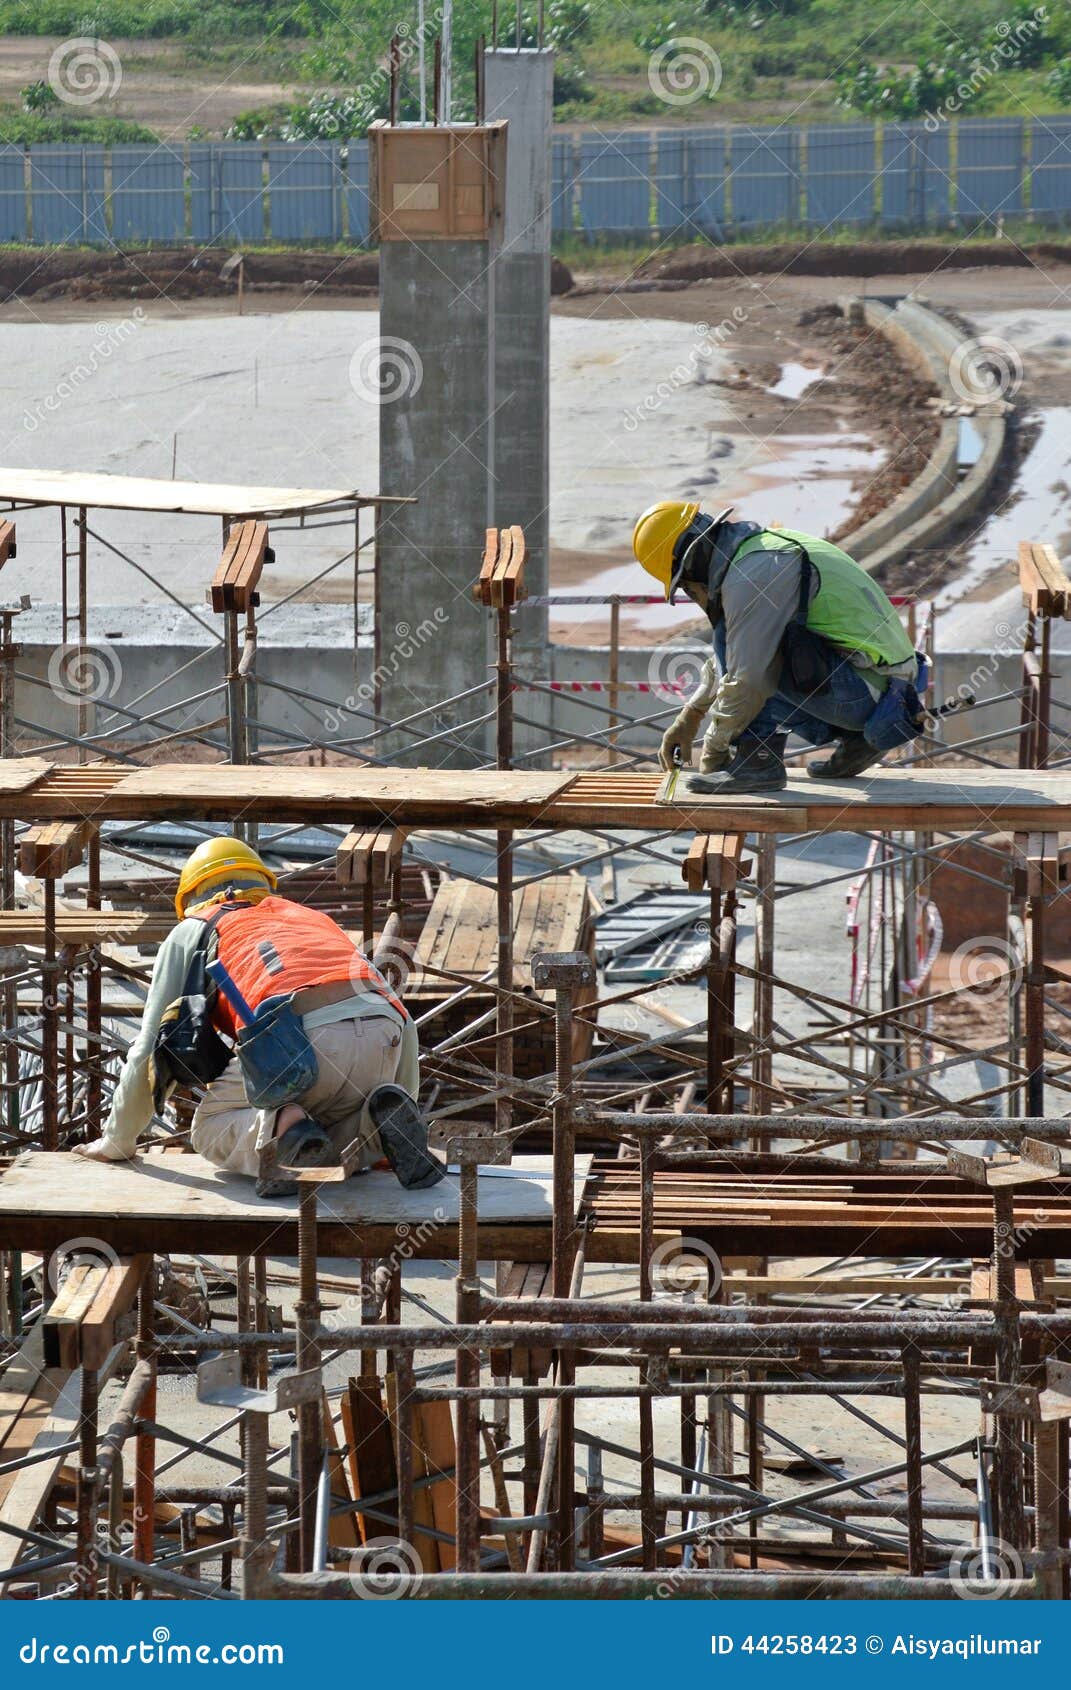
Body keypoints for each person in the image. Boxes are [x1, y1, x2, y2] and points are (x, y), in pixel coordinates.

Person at [75, 836, 443, 1197]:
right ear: (265, 884)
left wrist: (117, 1140)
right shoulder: (313, 919)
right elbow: (404, 1020)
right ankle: (377, 1131)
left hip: (302, 1036)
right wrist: (402, 1095)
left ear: (191, 897)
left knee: (209, 1128)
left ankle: (282, 1133)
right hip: (384, 1032)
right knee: (328, 1121)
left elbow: (148, 1046)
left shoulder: (198, 926)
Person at [633, 502, 925, 793]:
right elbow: (738, 651)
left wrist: (714, 751)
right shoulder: (763, 551)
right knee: (745, 646)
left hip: (869, 691)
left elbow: (748, 676)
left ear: (691, 560)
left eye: (684, 583)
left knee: (756, 668)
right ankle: (857, 739)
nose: (692, 591)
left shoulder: (753, 575)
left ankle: (757, 763)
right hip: (883, 688)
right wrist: (691, 716)